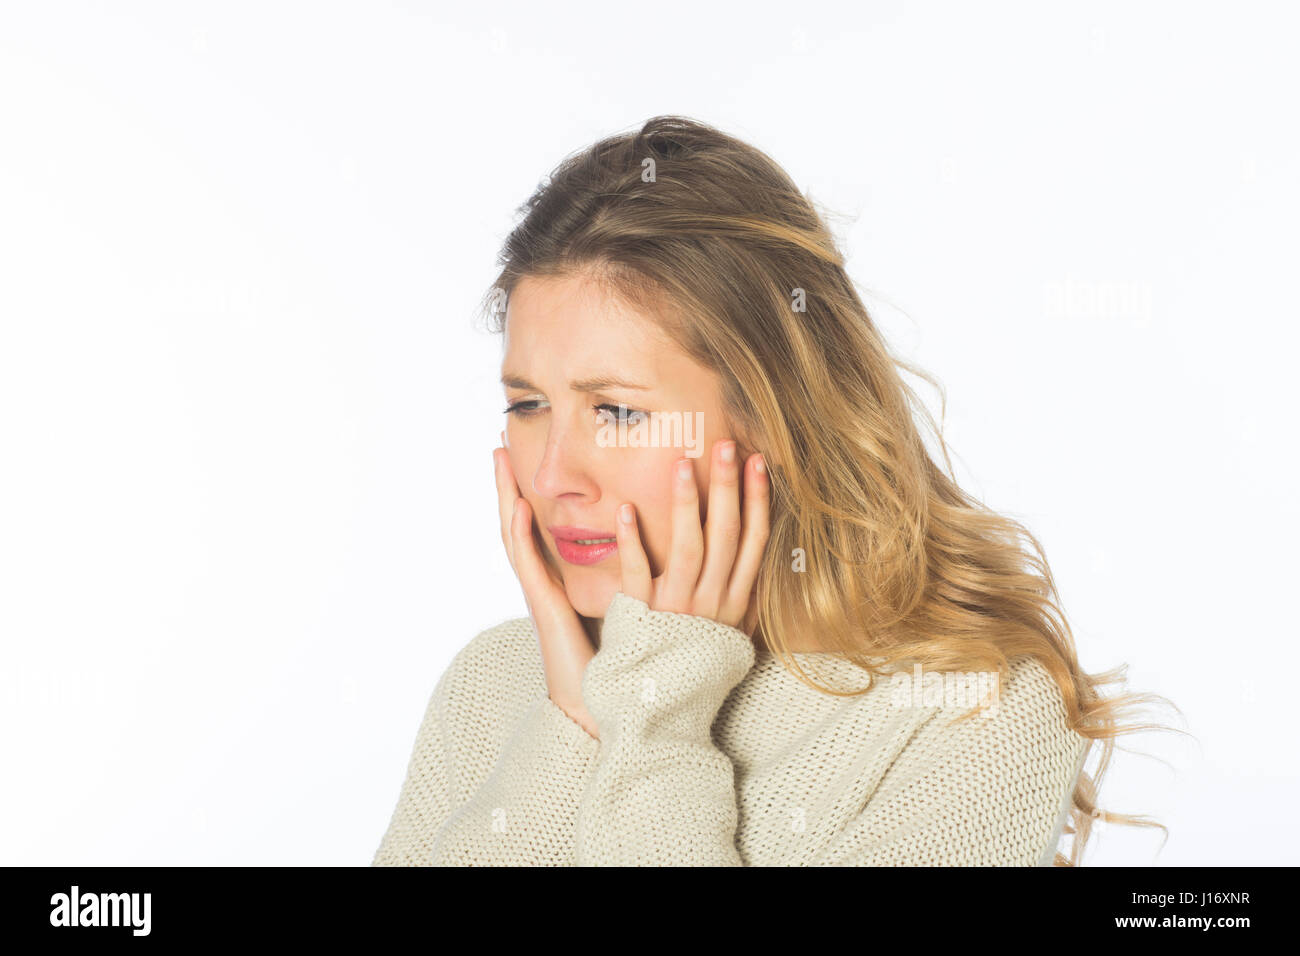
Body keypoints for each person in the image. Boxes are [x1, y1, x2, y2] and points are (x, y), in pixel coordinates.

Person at [371, 115, 1170, 866]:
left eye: (615, 410)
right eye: (528, 406)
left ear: (772, 416)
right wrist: (576, 723)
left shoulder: (967, 710)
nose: (551, 479)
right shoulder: (500, 681)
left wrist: (655, 717)